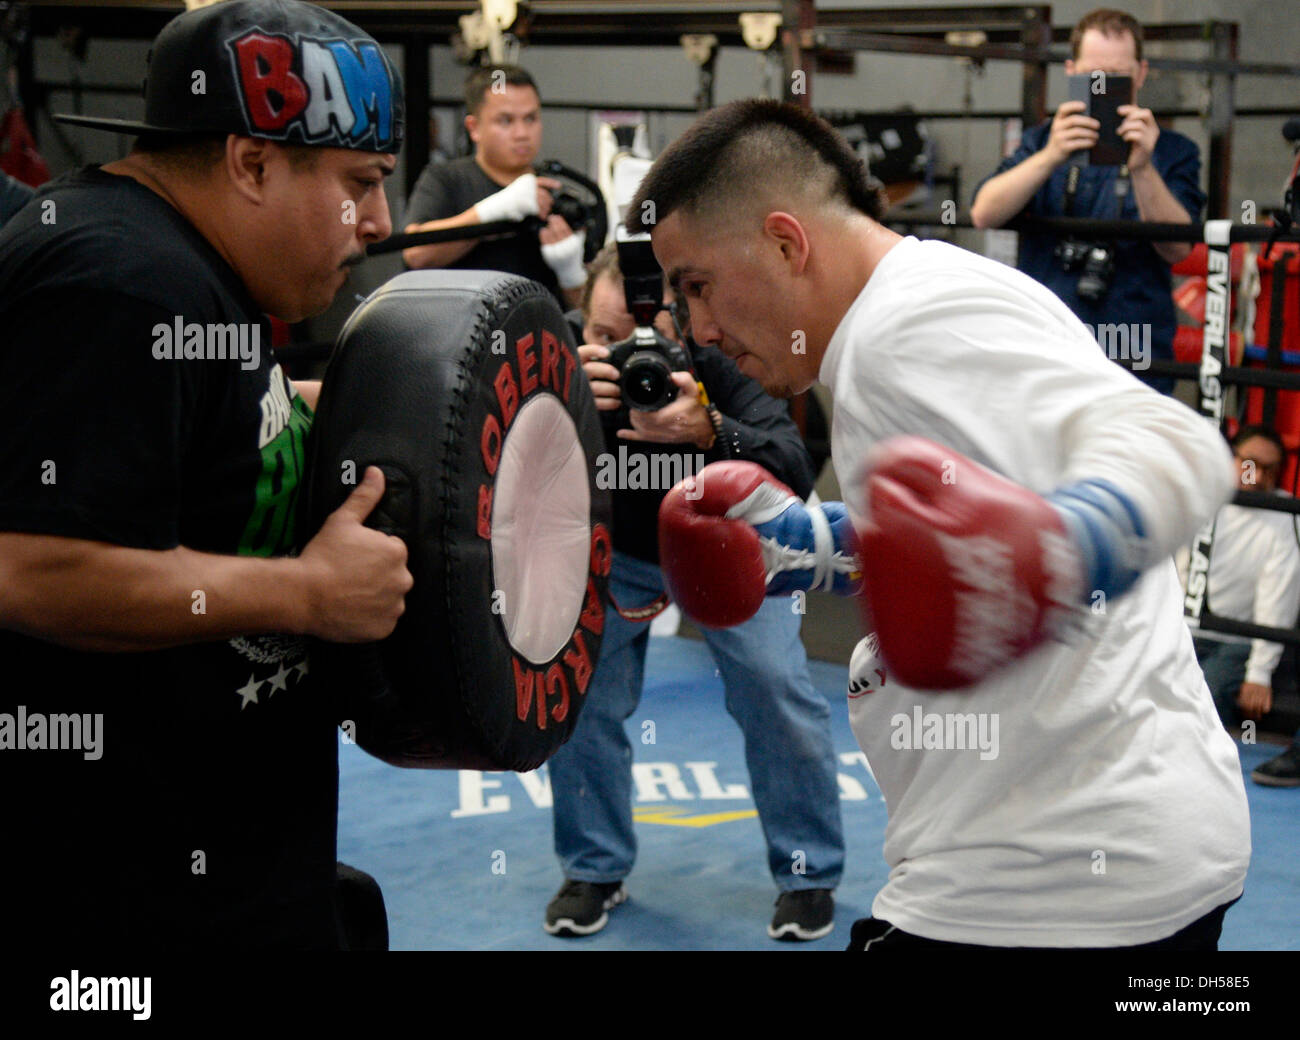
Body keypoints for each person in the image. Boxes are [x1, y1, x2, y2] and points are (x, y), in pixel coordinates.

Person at [631, 98, 1250, 950]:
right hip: (1103, 852)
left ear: (785, 242)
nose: (697, 330)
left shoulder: (906, 329)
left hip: (1049, 880)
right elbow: (986, 510)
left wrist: (1065, 551)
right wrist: (814, 546)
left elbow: (1178, 444)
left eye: (697, 286)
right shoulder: (913, 305)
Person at [0, 0, 413, 949]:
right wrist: (308, 592)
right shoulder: (119, 279)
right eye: (361, 182)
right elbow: (35, 567)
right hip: (126, 894)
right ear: (252, 162)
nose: (382, 221)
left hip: (223, 858)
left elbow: (183, 450)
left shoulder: (185, 267)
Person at [543, 243, 845, 941]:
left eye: (642, 338)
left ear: (675, 326)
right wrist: (560, 401)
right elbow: (492, 461)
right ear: (580, 321)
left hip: (728, 548)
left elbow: (794, 468)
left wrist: (708, 429)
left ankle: (808, 875)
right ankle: (593, 869)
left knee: (777, 690)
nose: (626, 357)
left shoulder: (717, 358)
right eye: (604, 338)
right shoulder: (555, 354)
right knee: (582, 699)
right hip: (612, 552)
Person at [971, 7, 1203, 394]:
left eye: (1118, 76)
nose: (1105, 86)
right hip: (1049, 347)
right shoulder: (1044, 140)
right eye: (1095, 76)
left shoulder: (1172, 150)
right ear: (1072, 71)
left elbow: (1179, 247)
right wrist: (1050, 157)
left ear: (1141, 74)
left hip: (1134, 352)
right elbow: (983, 213)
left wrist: (1144, 169)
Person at [402, 65, 584, 309]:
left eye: (530, 118)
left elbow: (589, 318)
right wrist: (492, 212)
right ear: (474, 128)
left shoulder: (557, 192)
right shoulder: (447, 178)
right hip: (463, 338)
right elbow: (415, 254)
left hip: (538, 337)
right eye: (506, 121)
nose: (522, 133)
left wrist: (572, 275)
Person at [1179, 425, 1300, 731]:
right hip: (1186, 629)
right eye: (1250, 464)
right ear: (1231, 459)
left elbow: (1278, 597)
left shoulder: (1286, 515)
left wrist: (1259, 673)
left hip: (1240, 641)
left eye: (1268, 469)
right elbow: (1176, 573)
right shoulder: (1202, 497)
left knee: (1203, 693)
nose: (1257, 476)